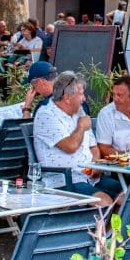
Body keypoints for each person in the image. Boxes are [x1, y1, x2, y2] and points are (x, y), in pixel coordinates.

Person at [32, 71, 118, 203]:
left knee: (129, 196)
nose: (84, 99)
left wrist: (95, 165)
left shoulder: (79, 112)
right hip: (65, 181)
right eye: (81, 94)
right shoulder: (46, 115)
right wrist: (81, 126)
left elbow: (94, 147)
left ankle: (116, 217)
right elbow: (70, 146)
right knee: (104, 202)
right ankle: (104, 218)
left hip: (90, 177)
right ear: (67, 97)